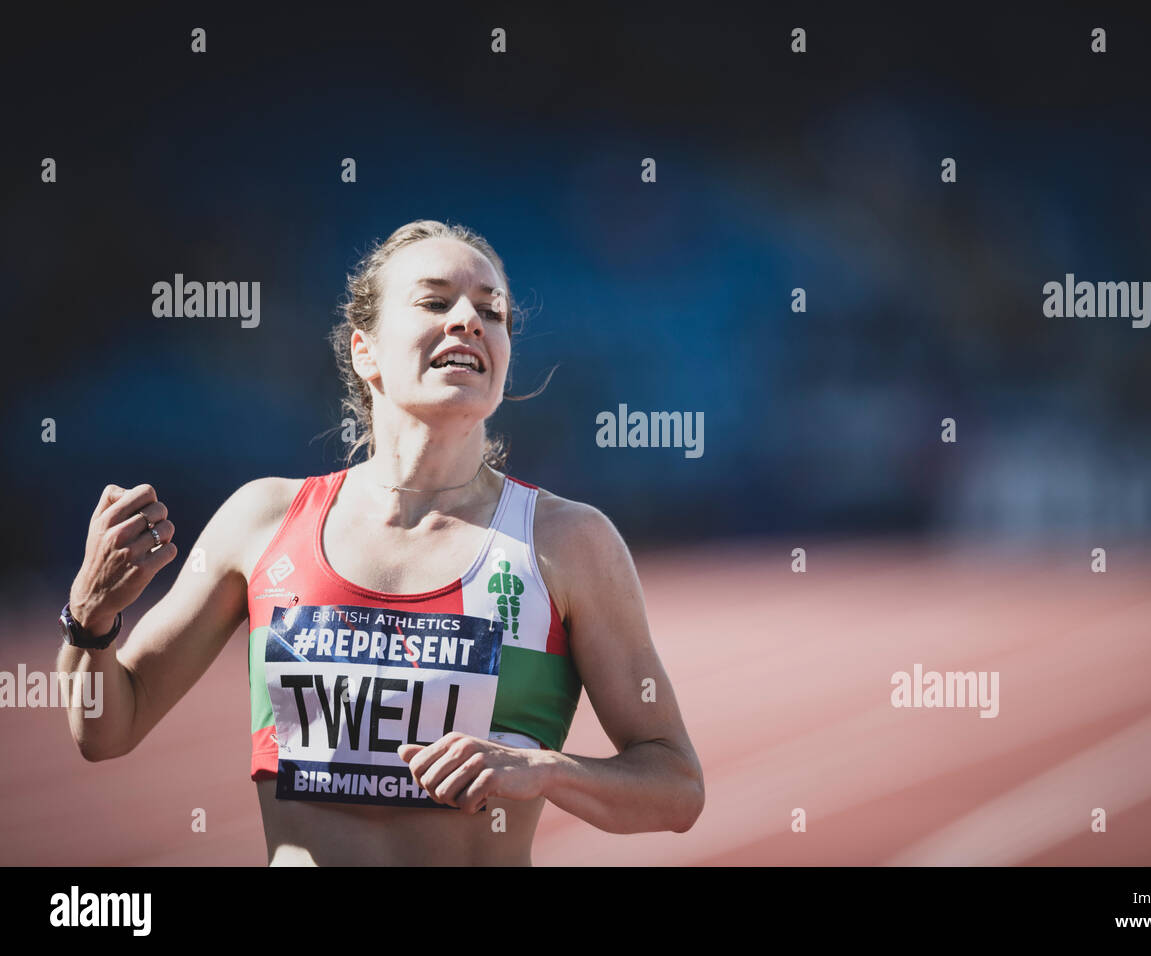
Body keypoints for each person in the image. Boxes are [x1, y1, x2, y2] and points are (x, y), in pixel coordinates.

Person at [57, 219, 705, 865]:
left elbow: (676, 786)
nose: (468, 321)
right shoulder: (260, 519)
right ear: (365, 350)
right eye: (433, 301)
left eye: (492, 310)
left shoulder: (568, 542)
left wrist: (544, 768)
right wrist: (89, 620)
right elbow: (107, 728)